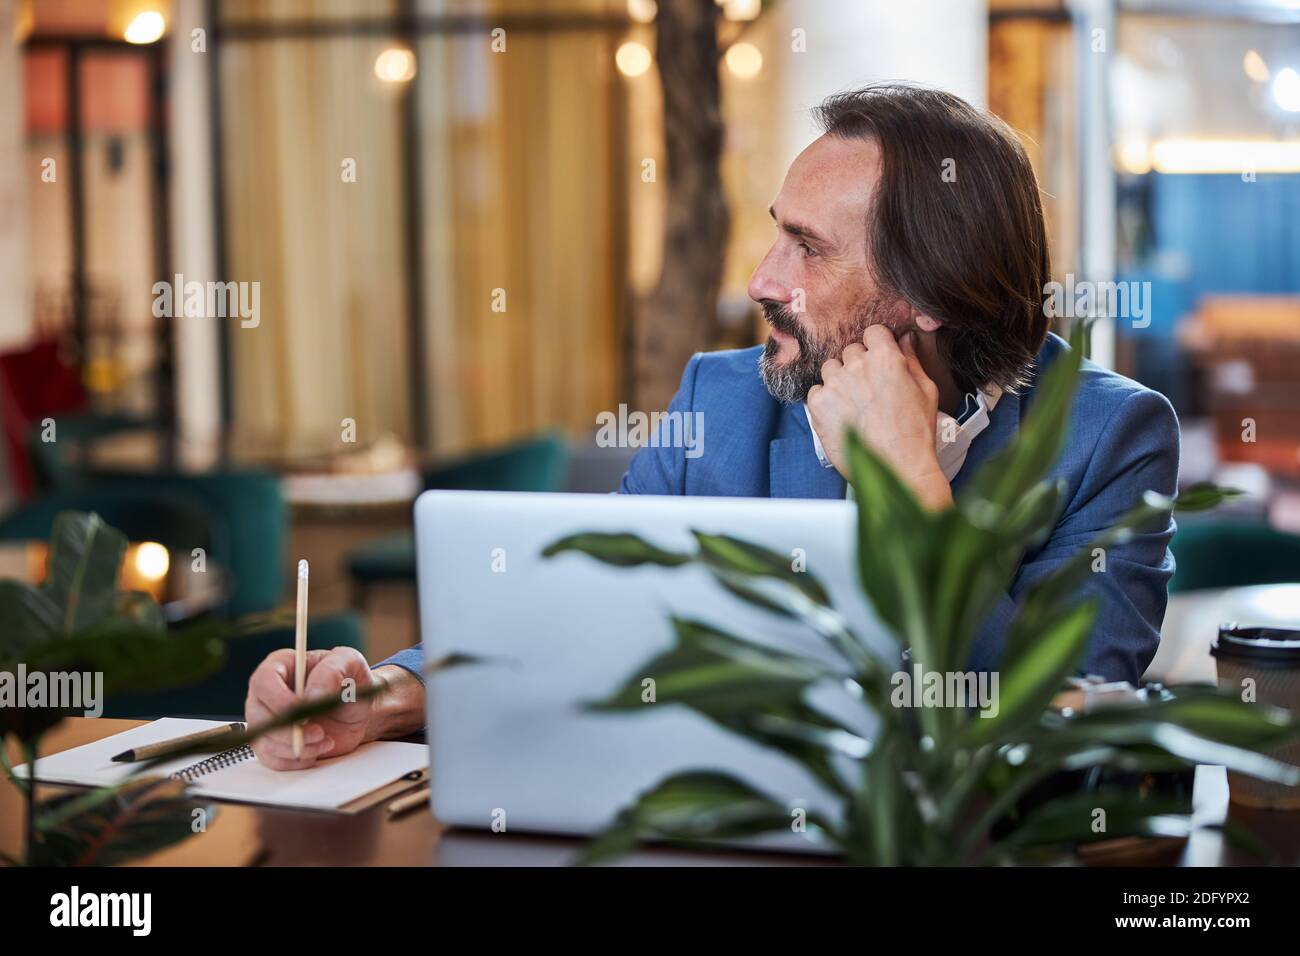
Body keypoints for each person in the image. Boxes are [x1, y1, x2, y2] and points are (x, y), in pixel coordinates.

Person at [245, 85, 1179, 769]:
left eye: (806, 249)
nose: (761, 281)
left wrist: (909, 486)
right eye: (777, 233)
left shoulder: (1109, 438)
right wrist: (382, 697)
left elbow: (1071, 739)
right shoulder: (722, 401)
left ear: (931, 294)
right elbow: (574, 617)